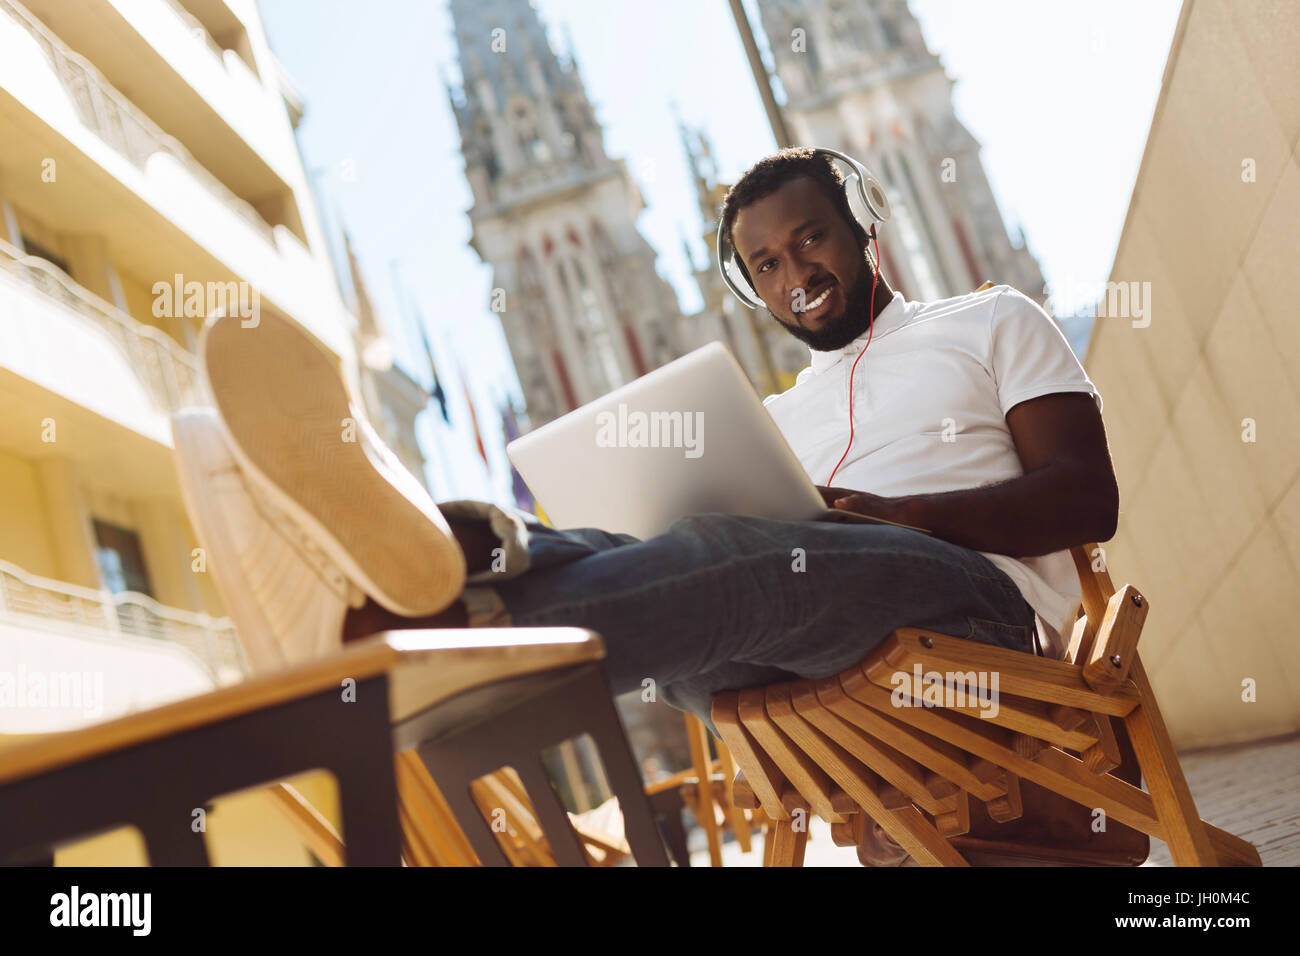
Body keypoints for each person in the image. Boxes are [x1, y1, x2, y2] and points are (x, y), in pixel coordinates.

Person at [174, 147, 1117, 864]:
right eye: (765, 264)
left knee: (739, 562)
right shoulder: (775, 413)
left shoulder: (990, 321)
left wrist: (907, 517)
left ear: (863, 223)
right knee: (640, 554)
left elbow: (1086, 497)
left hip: (980, 629)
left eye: (811, 239)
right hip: (808, 663)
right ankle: (464, 570)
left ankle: (427, 620)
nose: (795, 275)